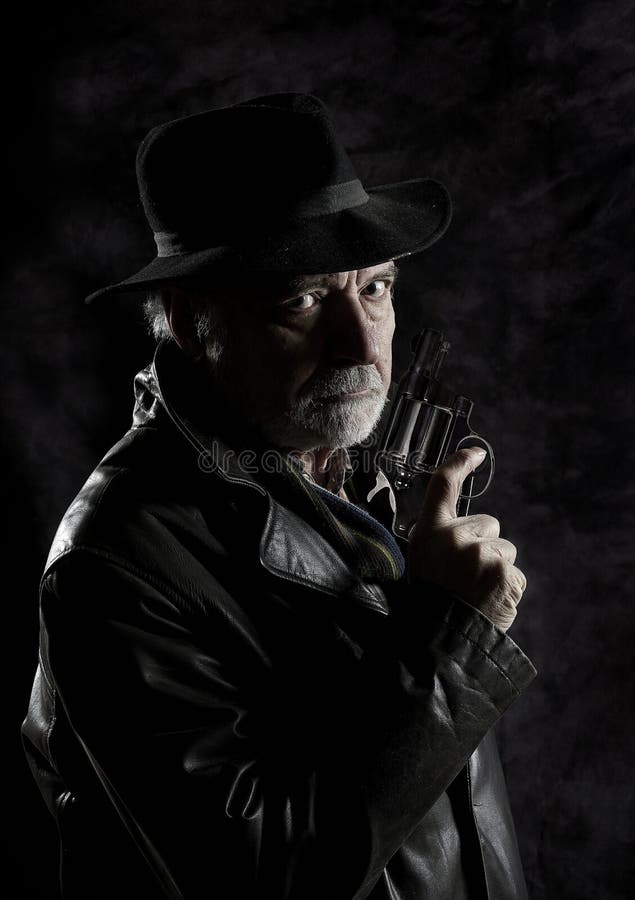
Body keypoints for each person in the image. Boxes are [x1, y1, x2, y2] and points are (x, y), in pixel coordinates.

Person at [22, 92, 536, 900]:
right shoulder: (111, 567)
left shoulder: (349, 479)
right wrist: (454, 641)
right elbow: (264, 879)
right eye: (302, 300)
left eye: (375, 289)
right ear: (191, 323)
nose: (361, 343)